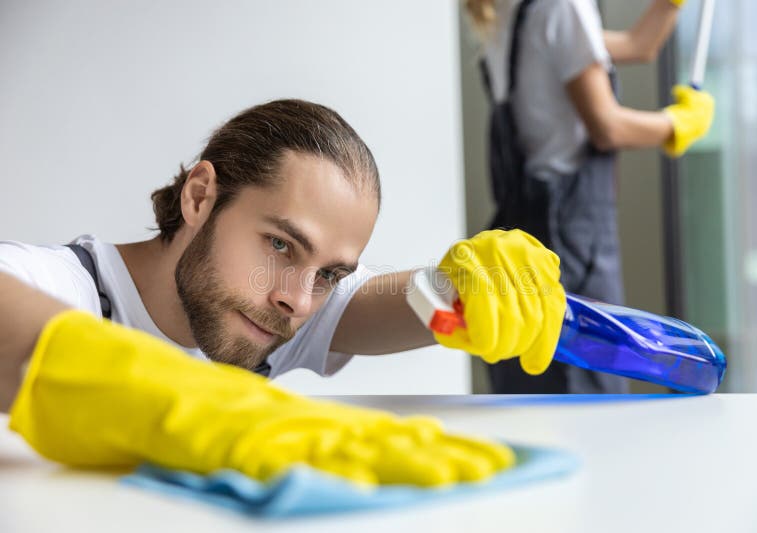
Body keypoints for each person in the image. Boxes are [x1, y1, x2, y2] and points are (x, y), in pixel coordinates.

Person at [0, 99, 566, 485]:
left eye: (329, 274)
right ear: (199, 197)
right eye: (279, 245)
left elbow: (403, 299)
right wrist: (156, 393)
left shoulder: (270, 317)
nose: (297, 301)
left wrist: (458, 287)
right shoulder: (63, 285)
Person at [464, 0, 714, 393]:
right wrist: (677, 124)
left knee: (533, 382)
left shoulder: (512, 12)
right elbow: (607, 127)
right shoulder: (561, 6)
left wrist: (670, 6)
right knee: (587, 386)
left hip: (520, 233)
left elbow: (638, 45)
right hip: (570, 239)